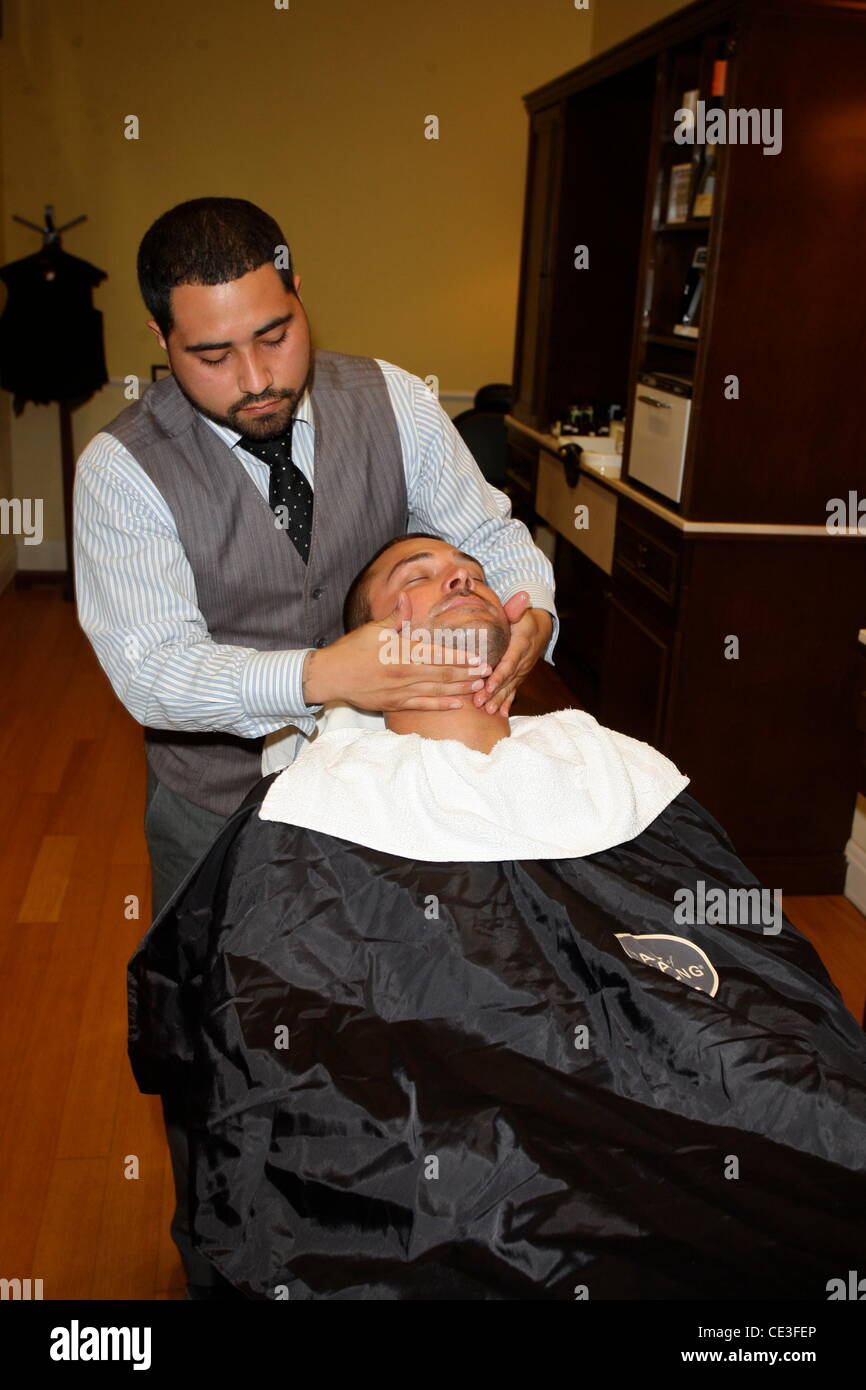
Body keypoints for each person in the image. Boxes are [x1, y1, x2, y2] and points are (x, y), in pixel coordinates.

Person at [128, 534, 866, 1300]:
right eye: (421, 577)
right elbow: (286, 1075)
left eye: (474, 577)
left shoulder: (608, 766)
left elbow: (758, 976)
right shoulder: (319, 806)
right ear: (367, 643)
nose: (461, 577)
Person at [73, 197, 558, 1297]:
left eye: (275, 333)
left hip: (402, 801)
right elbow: (152, 667)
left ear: (299, 300)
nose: (255, 376)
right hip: (220, 815)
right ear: (160, 343)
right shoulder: (121, 470)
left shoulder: (389, 398)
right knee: (223, 1062)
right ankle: (226, 1263)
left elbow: (486, 534)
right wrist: (316, 675)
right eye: (212, 354)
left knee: (395, 1049)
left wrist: (528, 615)